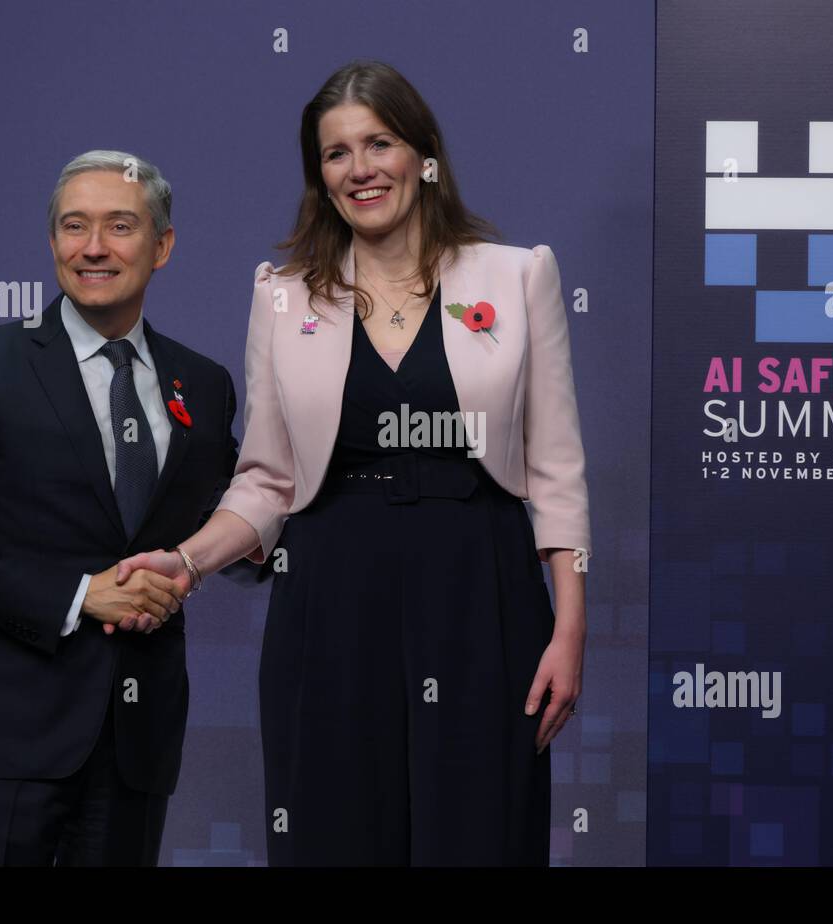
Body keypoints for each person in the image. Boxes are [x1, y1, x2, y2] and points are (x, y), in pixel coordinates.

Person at [115, 60, 591, 865]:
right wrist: (187, 563)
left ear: (424, 155)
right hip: (331, 597)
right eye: (337, 153)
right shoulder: (284, 295)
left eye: (379, 143)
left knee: (480, 834)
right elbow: (267, 480)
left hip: (481, 591)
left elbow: (556, 469)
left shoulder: (517, 276)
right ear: (320, 176)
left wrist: (570, 627)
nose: (360, 168)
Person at [0, 149, 243, 865]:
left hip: (137, 742)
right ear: (53, 241)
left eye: (120, 226)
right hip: (5, 735)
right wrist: (83, 594)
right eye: (73, 226)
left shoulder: (202, 385)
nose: (93, 247)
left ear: (163, 245)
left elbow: (237, 516)